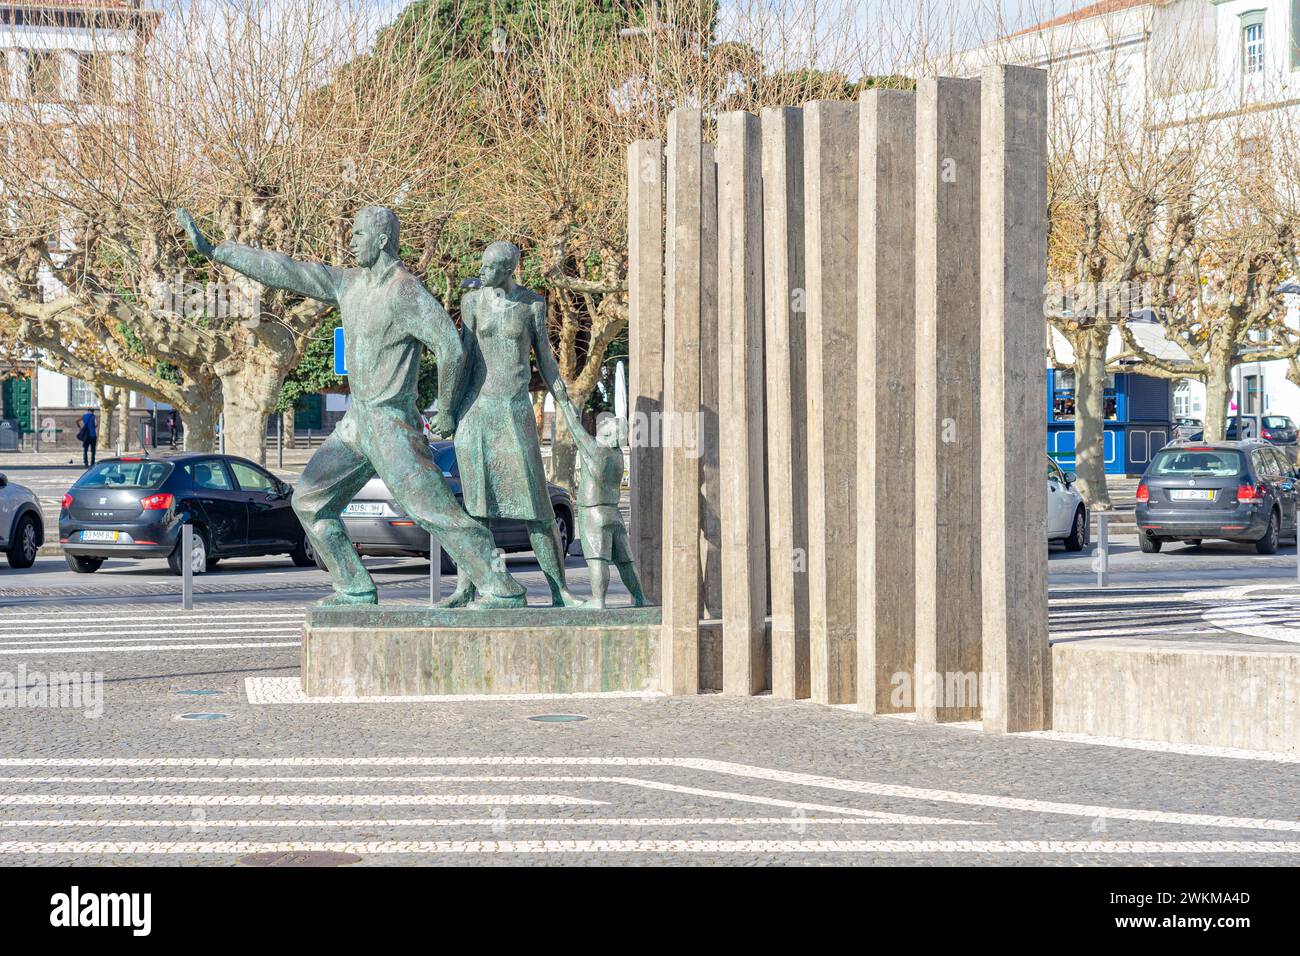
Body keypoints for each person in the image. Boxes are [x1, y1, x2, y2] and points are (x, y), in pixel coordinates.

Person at [175, 206, 526, 609]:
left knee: (434, 512)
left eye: (358, 234)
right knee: (308, 500)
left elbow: (449, 348)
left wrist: (445, 409)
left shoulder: (404, 290)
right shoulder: (349, 284)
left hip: (391, 421)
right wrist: (217, 250)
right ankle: (355, 586)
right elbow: (288, 270)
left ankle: (502, 588)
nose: (351, 241)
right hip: (357, 423)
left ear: (381, 240)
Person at [441, 241, 581, 608]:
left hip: (514, 410)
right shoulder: (472, 303)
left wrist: (563, 396)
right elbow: (464, 357)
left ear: (508, 270)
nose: (483, 274)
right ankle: (468, 587)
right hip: (477, 412)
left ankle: (559, 590)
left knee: (538, 508)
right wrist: (447, 410)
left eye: (491, 268)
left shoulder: (532, 304)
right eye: (483, 266)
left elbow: (546, 359)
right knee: (476, 509)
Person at [555, 409, 645, 609]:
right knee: (625, 561)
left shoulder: (596, 450)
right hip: (614, 512)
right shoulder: (618, 454)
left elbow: (574, 426)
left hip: (594, 512)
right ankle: (640, 598)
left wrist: (562, 399)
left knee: (597, 559)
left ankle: (598, 600)